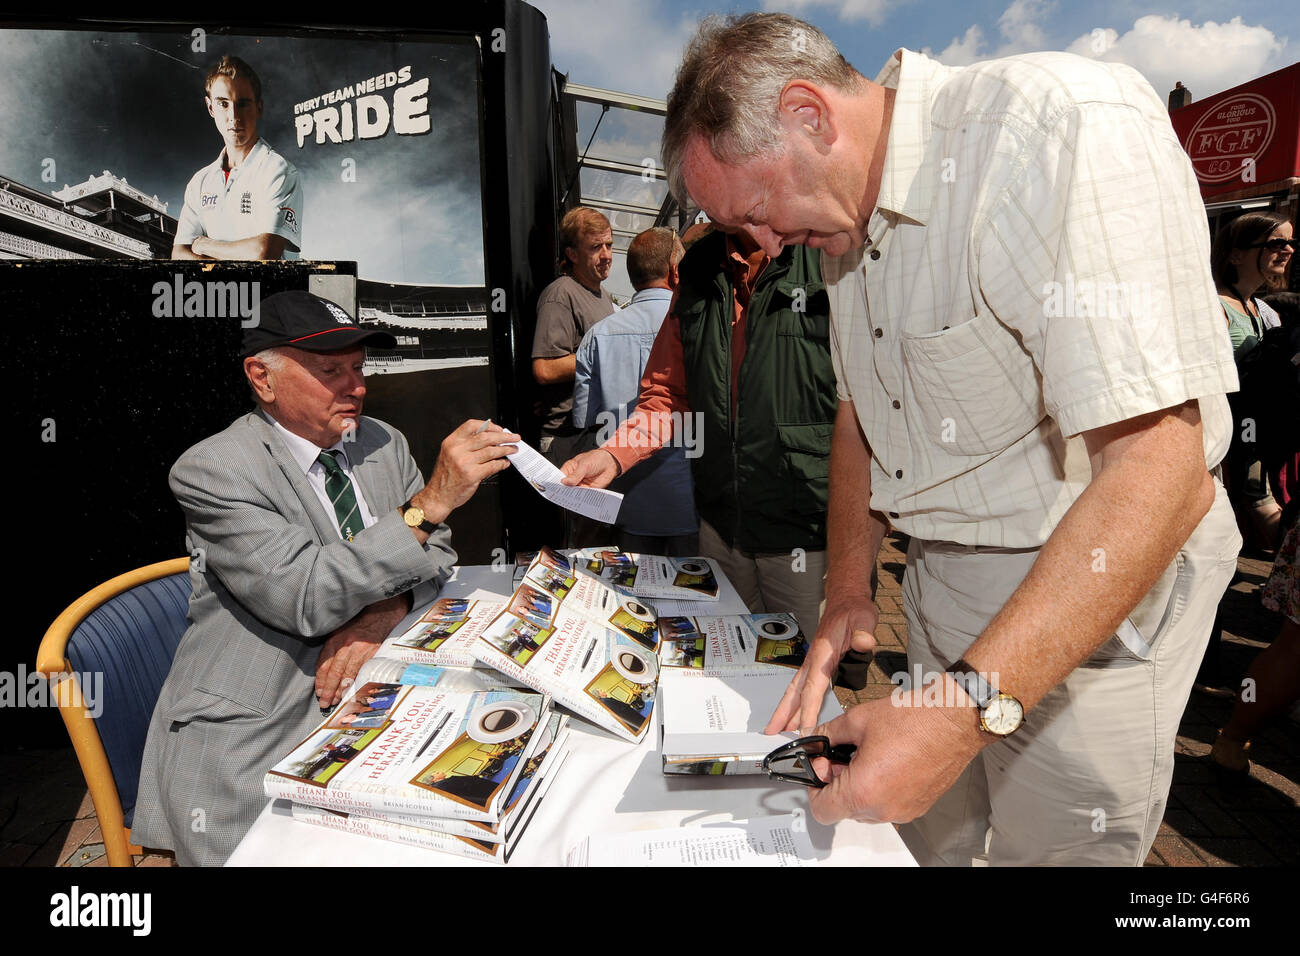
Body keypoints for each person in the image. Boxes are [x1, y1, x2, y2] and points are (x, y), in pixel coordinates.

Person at [651, 13, 1241, 866]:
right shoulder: (840, 231)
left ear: (809, 115)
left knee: (1052, 852)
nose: (767, 245)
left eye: (756, 212)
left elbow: (1161, 466)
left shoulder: (1056, 127)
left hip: (1091, 595)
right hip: (935, 588)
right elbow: (857, 417)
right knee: (923, 838)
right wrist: (850, 589)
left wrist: (962, 712)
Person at [131, 290, 518, 865]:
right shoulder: (214, 469)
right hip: (266, 715)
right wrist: (429, 503)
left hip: (374, 683)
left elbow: (435, 553)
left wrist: (381, 615)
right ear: (262, 377)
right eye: (331, 370)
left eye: (359, 368)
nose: (356, 386)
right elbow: (305, 596)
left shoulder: (382, 442)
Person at [561, 225, 852, 678]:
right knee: (728, 667)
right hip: (719, 525)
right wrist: (614, 455)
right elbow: (666, 393)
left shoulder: (830, 253)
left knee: (800, 675)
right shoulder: (696, 270)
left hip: (802, 531)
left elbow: (866, 398)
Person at [572, 227, 699, 556]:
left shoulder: (597, 336)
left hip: (627, 502)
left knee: (633, 600)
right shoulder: (700, 325)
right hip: (694, 503)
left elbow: (585, 417)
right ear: (675, 268)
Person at [1210, 212, 1295, 553]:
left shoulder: (1266, 311)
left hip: (1258, 428)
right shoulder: (1215, 308)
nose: (1287, 250)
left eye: (1290, 242)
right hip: (1224, 432)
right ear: (1235, 253)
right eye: (1276, 243)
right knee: (1256, 497)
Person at [172, 55, 303, 260]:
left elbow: (263, 252)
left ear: (259, 107)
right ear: (210, 108)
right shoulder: (199, 182)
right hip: (217, 293)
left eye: (243, 104)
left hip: (270, 292)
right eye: (223, 104)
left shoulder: (278, 170)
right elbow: (179, 255)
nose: (233, 116)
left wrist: (204, 244)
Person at [532, 207, 616, 464]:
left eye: (609, 245)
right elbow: (544, 369)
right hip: (566, 440)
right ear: (572, 254)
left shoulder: (605, 296)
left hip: (592, 433)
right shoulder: (560, 294)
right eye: (595, 247)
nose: (606, 255)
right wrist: (606, 356)